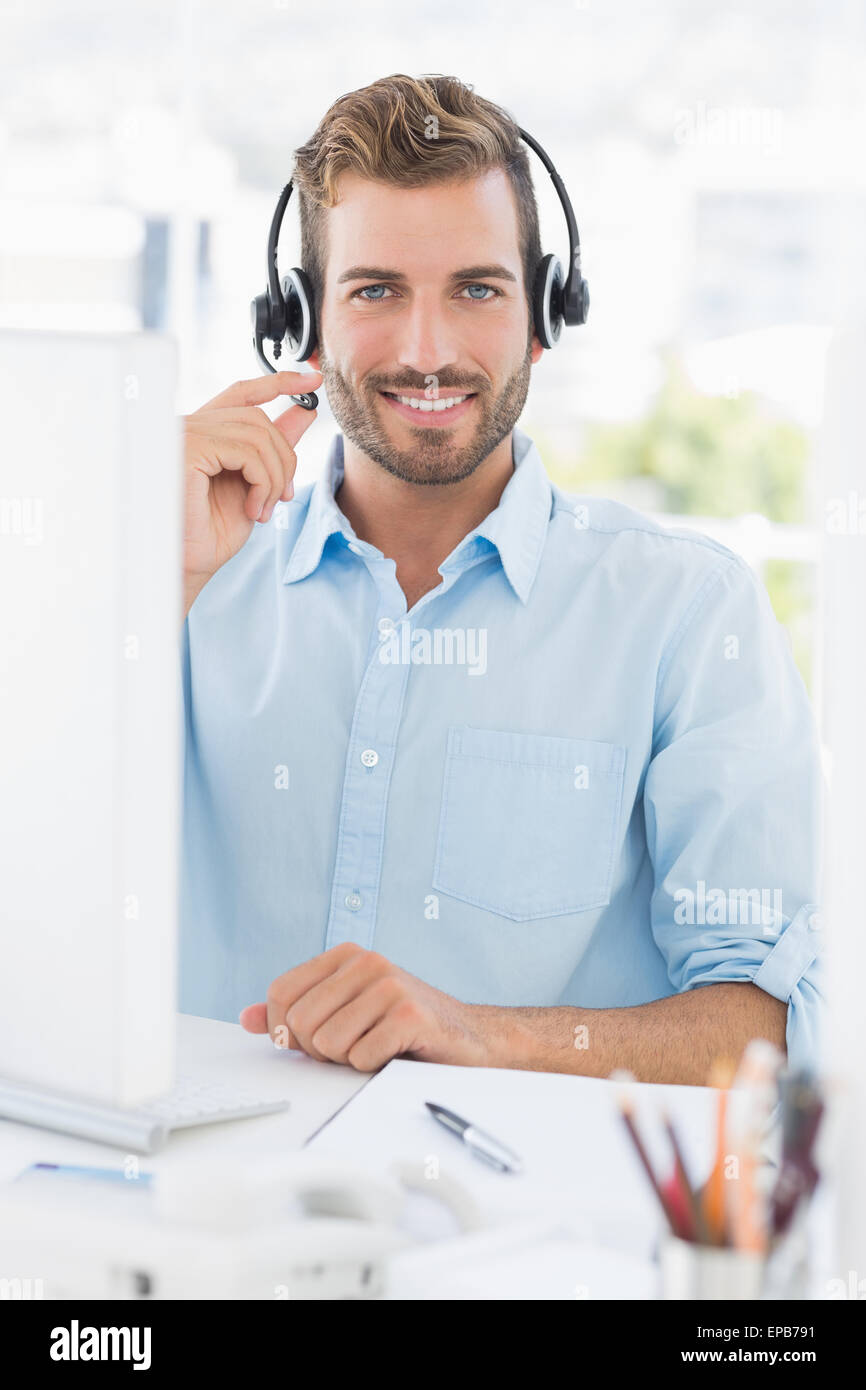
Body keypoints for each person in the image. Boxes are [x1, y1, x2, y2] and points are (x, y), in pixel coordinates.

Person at [179, 73, 824, 1084]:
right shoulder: (184, 586)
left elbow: (770, 1028)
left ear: (542, 315)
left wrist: (481, 1033)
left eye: (475, 289)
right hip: (195, 1228)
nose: (426, 351)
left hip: (527, 1234)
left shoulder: (685, 616)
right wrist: (141, 577)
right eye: (374, 290)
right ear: (302, 322)